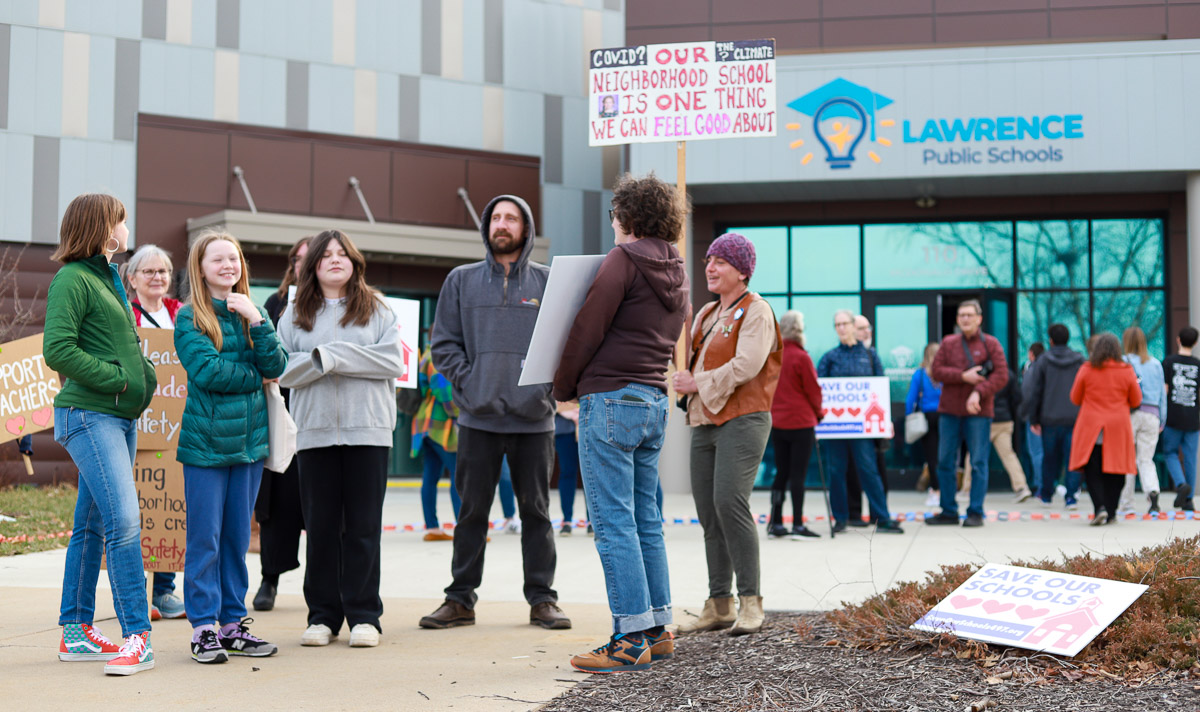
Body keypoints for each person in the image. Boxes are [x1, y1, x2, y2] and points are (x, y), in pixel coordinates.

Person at [554, 173, 688, 672]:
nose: (612, 222)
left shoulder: (622, 260)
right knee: (645, 521)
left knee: (613, 525)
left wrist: (563, 386)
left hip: (609, 399)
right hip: (653, 399)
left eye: (615, 213)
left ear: (628, 217)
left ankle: (629, 637)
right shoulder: (676, 268)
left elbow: (587, 327)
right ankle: (657, 628)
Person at [420, 195, 570, 631]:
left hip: (534, 419)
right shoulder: (461, 280)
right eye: (496, 217)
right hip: (478, 418)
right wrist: (471, 383)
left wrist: (544, 390)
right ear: (487, 226)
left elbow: (564, 346)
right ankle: (460, 599)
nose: (502, 224)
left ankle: (543, 599)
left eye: (512, 218)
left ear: (526, 228)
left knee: (537, 514)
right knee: (471, 512)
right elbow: (444, 344)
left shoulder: (548, 282)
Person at [45, 193, 158, 675]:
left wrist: (140, 376)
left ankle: (76, 632)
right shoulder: (72, 278)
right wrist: (121, 379)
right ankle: (139, 635)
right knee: (124, 523)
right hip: (91, 416)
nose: (128, 228)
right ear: (104, 227)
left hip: (115, 418)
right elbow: (58, 349)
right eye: (122, 221)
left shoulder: (105, 277)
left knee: (91, 526)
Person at [278, 229, 406, 648]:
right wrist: (327, 360)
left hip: (368, 431)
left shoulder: (379, 308)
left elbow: (391, 361)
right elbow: (282, 367)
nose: (335, 260)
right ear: (313, 264)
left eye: (342, 254)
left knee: (364, 527)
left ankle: (365, 616)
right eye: (326, 255)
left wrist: (327, 357)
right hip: (313, 434)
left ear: (354, 262)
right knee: (321, 527)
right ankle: (323, 617)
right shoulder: (295, 312)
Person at [175, 231, 286, 663]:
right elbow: (208, 372)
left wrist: (258, 322)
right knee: (206, 538)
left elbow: (277, 364)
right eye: (217, 259)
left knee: (238, 539)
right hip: (205, 447)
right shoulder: (190, 318)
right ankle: (203, 627)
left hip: (250, 446)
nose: (227, 265)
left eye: (233, 258)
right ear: (200, 268)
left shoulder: (253, 312)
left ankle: (232, 625)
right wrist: (255, 380)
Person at [673, 232, 783, 637]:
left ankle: (751, 601)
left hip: (745, 418)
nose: (710, 267)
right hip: (704, 422)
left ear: (742, 270)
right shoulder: (704, 313)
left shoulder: (758, 310)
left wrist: (696, 382)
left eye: (720, 261)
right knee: (708, 512)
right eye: (708, 260)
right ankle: (719, 603)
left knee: (729, 502)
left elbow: (747, 364)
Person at [123, 244, 186, 621]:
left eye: (163, 271)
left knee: (168, 507)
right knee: (137, 507)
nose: (157, 277)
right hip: (135, 421)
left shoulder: (182, 315)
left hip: (174, 425)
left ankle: (163, 591)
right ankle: (134, 592)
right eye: (148, 272)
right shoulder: (124, 315)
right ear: (131, 279)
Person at [252, 236, 311, 610]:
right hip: (283, 410)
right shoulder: (276, 303)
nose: (305, 264)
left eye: (312, 257)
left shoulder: (341, 305)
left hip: (321, 413)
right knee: (277, 501)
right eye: (299, 258)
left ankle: (322, 585)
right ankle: (269, 578)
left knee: (321, 504)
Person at [816, 310, 903, 534]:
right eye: (837, 325)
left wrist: (887, 420)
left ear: (854, 326)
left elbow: (881, 388)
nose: (842, 328)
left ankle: (882, 518)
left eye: (845, 323)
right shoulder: (829, 357)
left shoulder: (870, 355)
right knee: (836, 471)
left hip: (863, 427)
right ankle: (841, 518)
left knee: (869, 469)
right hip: (836, 428)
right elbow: (819, 389)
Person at [925, 300, 1009, 528]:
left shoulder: (991, 344)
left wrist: (978, 392)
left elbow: (1002, 375)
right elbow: (936, 371)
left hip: (978, 413)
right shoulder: (948, 342)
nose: (965, 319)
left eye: (969, 315)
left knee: (979, 462)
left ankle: (975, 512)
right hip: (949, 411)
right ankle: (948, 511)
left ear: (979, 318)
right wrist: (964, 376)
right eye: (961, 315)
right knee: (944, 461)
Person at [1069, 333, 1140, 526]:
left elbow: (1075, 397)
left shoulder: (1087, 369)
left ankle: (1099, 507)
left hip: (1091, 428)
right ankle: (1111, 511)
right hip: (1117, 428)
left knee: (1093, 470)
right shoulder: (1126, 370)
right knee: (1116, 471)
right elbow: (1136, 399)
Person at [768, 310, 822, 539]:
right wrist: (819, 414)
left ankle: (776, 522)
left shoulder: (773, 356)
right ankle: (798, 523)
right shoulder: (802, 357)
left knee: (781, 473)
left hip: (778, 423)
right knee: (798, 475)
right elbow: (813, 391)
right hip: (801, 422)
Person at [1022, 324, 1085, 509]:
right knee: (1072, 459)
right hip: (1074, 417)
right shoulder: (1079, 360)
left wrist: (1033, 418)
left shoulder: (1043, 361)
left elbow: (1035, 391)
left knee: (1049, 458)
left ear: (1050, 340)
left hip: (1049, 418)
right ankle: (1071, 496)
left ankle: (1046, 495)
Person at [413, 342, 461, 541]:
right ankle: (464, 525)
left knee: (431, 476)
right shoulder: (438, 356)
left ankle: (432, 527)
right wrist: (462, 413)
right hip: (440, 425)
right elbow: (444, 392)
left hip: (425, 423)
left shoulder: (426, 354)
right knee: (459, 474)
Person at [1119, 326, 1165, 514]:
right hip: (1152, 414)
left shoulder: (1124, 362)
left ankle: (1127, 504)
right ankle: (1152, 492)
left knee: (1126, 459)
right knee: (1146, 459)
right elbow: (1163, 395)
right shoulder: (1155, 364)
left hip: (1130, 414)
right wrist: (1162, 419)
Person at [1162, 326, 1199, 510]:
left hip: (1173, 416)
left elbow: (1165, 389)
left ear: (1178, 340)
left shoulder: (1169, 362)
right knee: (1191, 457)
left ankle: (1180, 483)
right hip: (1193, 418)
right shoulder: (1198, 364)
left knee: (1170, 453)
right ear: (1195, 342)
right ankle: (1189, 499)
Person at [906, 343, 943, 508]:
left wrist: (909, 416)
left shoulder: (919, 375)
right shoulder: (945, 374)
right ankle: (945, 490)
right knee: (945, 456)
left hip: (926, 418)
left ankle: (936, 490)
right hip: (945, 416)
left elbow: (910, 400)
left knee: (932, 457)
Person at [990, 367, 1032, 502]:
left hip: (986, 419)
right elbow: (1017, 397)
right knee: (1008, 455)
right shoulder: (1008, 374)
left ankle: (966, 490)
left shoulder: (983, 372)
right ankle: (1021, 487)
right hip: (1004, 419)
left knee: (973, 455)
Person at [1022, 343, 1046, 496]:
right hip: (1046, 416)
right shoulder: (1047, 369)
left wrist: (1028, 415)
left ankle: (1040, 486)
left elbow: (1027, 395)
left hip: (1034, 417)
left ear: (1031, 354)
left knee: (1036, 452)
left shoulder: (1032, 370)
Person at [554, 402, 581, 536]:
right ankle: (567, 520)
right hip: (564, 427)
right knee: (567, 472)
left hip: (590, 422)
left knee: (592, 475)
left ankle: (593, 522)